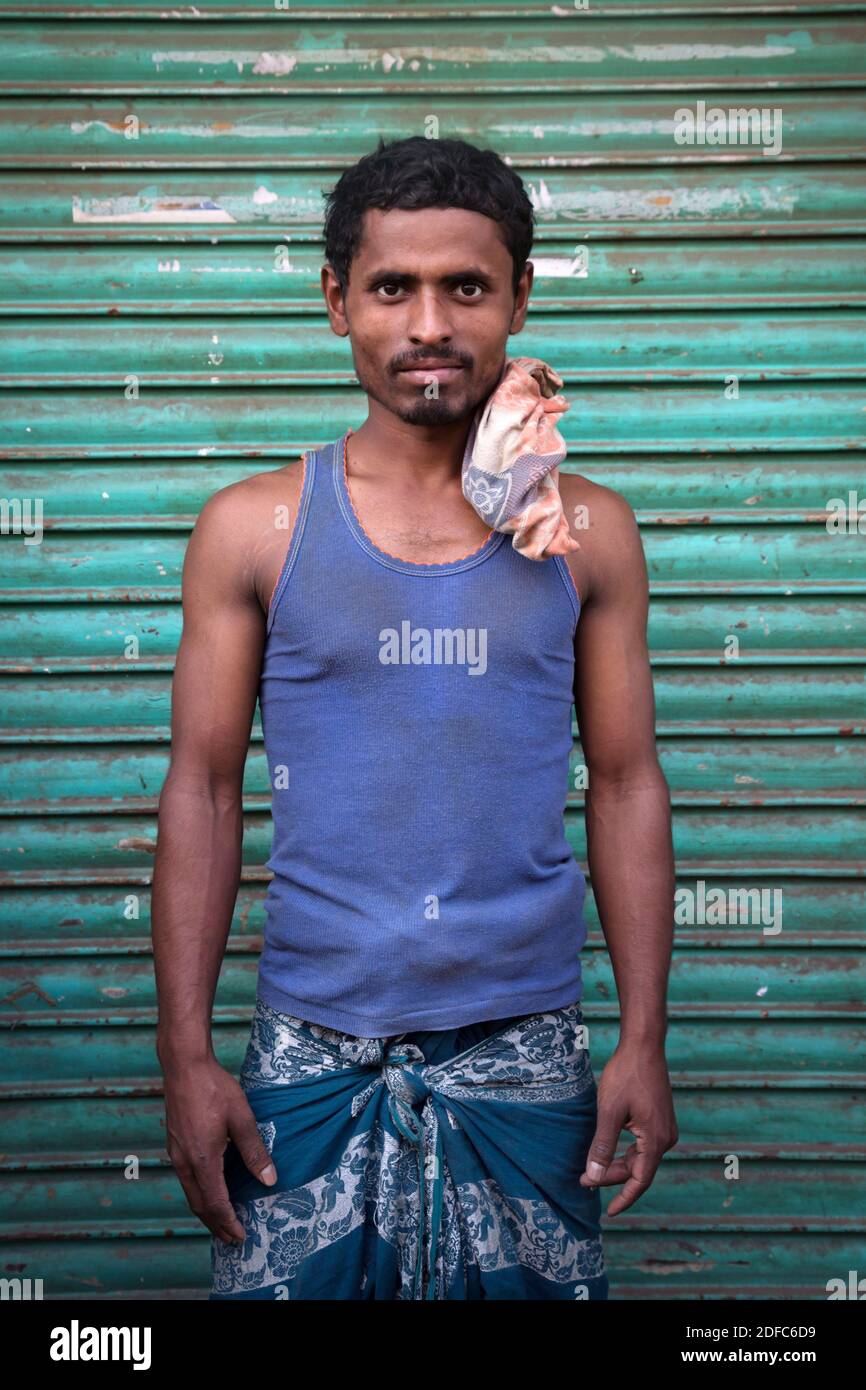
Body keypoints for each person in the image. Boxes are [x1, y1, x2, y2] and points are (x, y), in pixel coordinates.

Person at [152, 135, 678, 1300]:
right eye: (393, 287)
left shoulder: (586, 532)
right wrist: (185, 1055)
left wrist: (642, 1036)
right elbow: (201, 790)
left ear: (518, 296)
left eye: (467, 287)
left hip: (529, 1058)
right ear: (336, 298)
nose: (429, 324)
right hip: (307, 1056)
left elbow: (629, 783)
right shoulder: (254, 528)